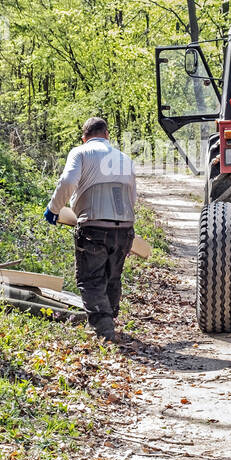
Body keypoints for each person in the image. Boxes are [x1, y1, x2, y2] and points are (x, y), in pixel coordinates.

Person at [45, 117, 137, 342]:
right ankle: (109, 319)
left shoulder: (81, 152)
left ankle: (104, 330)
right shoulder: (124, 158)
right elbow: (133, 194)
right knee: (112, 275)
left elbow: (68, 181)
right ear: (107, 135)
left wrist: (54, 208)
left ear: (84, 137)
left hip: (93, 226)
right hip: (125, 227)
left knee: (91, 279)